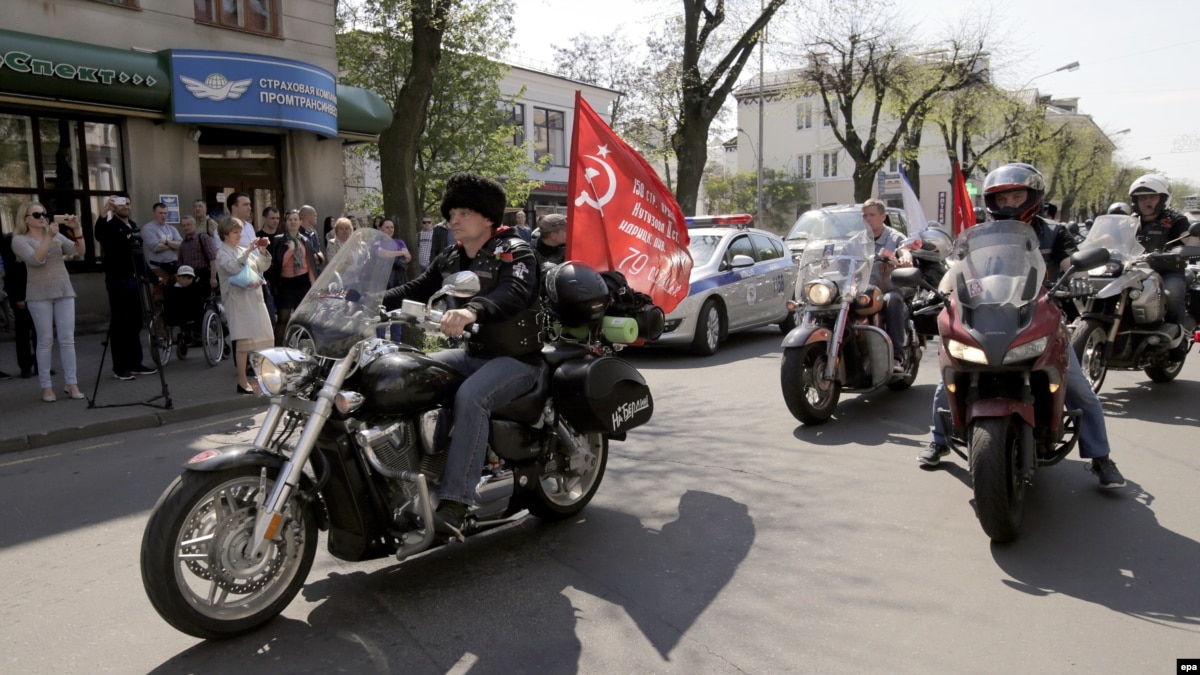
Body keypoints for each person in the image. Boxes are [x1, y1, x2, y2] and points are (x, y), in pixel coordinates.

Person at [918, 162, 1125, 488]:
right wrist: (939, 292)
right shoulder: (982, 235)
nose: (1010, 203)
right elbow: (958, 269)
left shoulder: (1055, 233)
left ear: (1033, 197)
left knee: (1079, 388)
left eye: (1017, 195)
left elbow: (1072, 263)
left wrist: (1079, 277)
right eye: (1003, 198)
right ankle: (938, 440)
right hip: (988, 316)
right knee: (949, 377)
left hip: (1039, 318)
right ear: (992, 202)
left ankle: (1101, 457)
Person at [381, 173, 541, 535]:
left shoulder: (514, 251)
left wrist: (473, 310)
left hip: (517, 359)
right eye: (451, 212)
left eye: (464, 212)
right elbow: (418, 287)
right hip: (473, 354)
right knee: (408, 372)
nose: (453, 219)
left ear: (487, 217)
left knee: (472, 396)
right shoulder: (452, 256)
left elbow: (514, 292)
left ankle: (456, 500)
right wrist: (365, 299)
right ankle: (412, 476)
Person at [11, 201, 86, 401]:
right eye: (36, 215)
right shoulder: (19, 240)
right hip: (38, 293)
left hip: (63, 289)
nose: (42, 217)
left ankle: (72, 383)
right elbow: (36, 260)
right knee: (45, 341)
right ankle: (47, 387)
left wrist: (77, 229)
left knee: (67, 339)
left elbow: (80, 251)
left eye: (43, 213)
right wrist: (50, 237)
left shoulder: (53, 234)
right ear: (25, 219)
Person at [94, 196, 157, 380]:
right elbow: (100, 235)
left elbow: (139, 257)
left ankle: (135, 363)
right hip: (118, 281)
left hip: (135, 281)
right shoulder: (110, 226)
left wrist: (153, 278)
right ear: (115, 207)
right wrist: (103, 213)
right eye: (121, 204)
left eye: (128, 203)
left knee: (136, 323)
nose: (126, 207)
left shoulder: (134, 226)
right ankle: (120, 367)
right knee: (120, 324)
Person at [1128, 173, 1190, 361]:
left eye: (1151, 197)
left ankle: (1180, 340)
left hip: (1167, 272)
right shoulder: (1130, 220)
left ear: (1163, 199)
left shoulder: (1176, 220)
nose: (1146, 201)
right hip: (1134, 270)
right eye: (1142, 198)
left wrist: (1189, 245)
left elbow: (1189, 240)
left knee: (1171, 295)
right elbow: (1110, 238)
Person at [215, 217, 273, 394]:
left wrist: (262, 251)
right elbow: (231, 268)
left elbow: (262, 267)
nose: (239, 235)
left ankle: (264, 379)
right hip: (238, 302)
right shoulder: (222, 252)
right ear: (225, 234)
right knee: (244, 344)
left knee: (265, 340)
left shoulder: (241, 249)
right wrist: (248, 250)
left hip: (255, 299)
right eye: (235, 232)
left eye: (240, 231)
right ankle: (242, 382)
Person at [861, 199, 912, 373]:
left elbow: (904, 249)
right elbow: (841, 259)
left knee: (893, 301)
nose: (868, 219)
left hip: (887, 290)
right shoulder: (857, 240)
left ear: (883, 216)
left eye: (872, 215)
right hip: (863, 292)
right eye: (865, 215)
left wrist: (905, 258)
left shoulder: (894, 237)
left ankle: (896, 357)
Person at [267, 209, 320, 346]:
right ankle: (278, 349)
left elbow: (309, 264)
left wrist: (313, 284)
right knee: (283, 319)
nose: (293, 222)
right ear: (286, 223)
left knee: (303, 319)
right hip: (286, 284)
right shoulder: (279, 240)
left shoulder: (306, 240)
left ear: (300, 222)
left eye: (296, 219)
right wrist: (290, 250)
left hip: (303, 283)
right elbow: (278, 264)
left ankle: (303, 349)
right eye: (290, 219)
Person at [0, 232, 36, 378]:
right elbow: (12, 271)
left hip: (36, 290)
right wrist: (18, 297)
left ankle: (40, 365)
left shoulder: (34, 237)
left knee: (39, 332)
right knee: (23, 330)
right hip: (21, 292)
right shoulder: (10, 241)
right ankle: (26, 366)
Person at [140, 202, 183, 286]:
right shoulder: (148, 228)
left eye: (165, 213)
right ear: (154, 214)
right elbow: (156, 247)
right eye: (160, 213)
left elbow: (181, 245)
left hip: (174, 266)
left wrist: (166, 242)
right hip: (158, 267)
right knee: (161, 295)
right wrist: (173, 245)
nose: (163, 216)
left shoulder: (171, 228)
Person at [177, 215, 219, 292]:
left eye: (188, 225)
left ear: (194, 225)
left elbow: (213, 259)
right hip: (188, 277)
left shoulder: (203, 238)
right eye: (184, 225)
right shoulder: (183, 243)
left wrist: (213, 278)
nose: (186, 227)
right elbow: (180, 263)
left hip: (203, 276)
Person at [164, 265, 205, 342]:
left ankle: (194, 333)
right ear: (178, 277)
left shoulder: (195, 288)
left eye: (189, 278)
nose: (186, 280)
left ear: (193, 279)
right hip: (176, 315)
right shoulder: (171, 289)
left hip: (193, 314)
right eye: (183, 277)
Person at [377, 217, 413, 288]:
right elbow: (382, 254)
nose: (390, 230)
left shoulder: (399, 242)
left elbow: (408, 257)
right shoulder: (377, 242)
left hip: (400, 279)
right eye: (387, 227)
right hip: (383, 280)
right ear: (380, 229)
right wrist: (401, 253)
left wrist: (391, 255)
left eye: (392, 227)